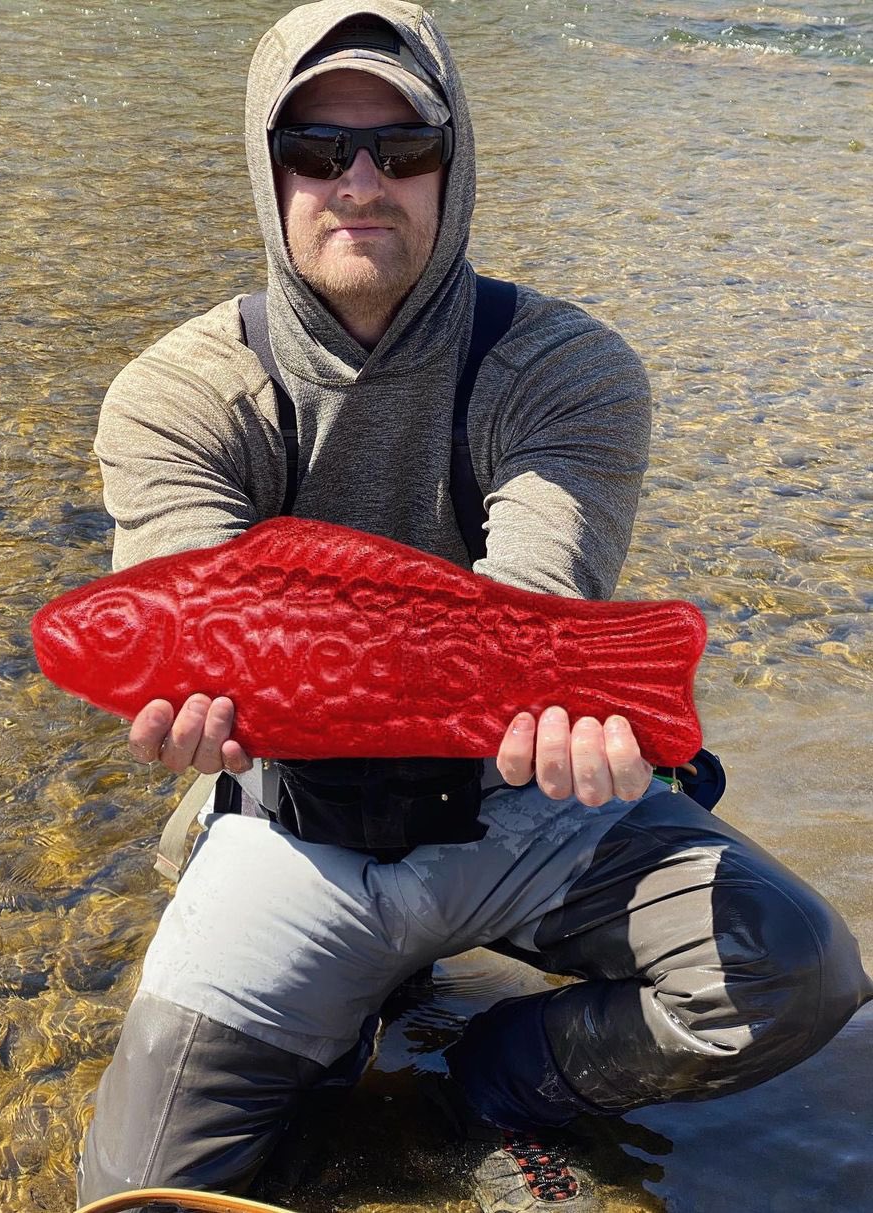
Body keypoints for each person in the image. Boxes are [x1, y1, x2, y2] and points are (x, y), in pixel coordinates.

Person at [76, 2, 871, 1209]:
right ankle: (337, 1016)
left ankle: (503, 1083)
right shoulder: (178, 392)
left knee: (799, 970)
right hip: (294, 826)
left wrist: (575, 708)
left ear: (456, 164)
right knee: (139, 1197)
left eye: (403, 149)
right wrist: (199, 715)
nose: (359, 182)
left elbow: (536, 599)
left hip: (519, 802)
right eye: (316, 148)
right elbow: (189, 611)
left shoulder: (568, 365)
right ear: (266, 166)